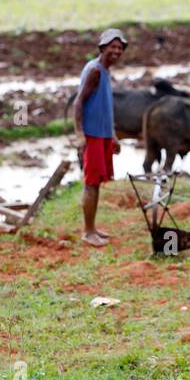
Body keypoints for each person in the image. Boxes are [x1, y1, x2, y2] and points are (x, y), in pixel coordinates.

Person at [72, 29, 127, 246]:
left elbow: (104, 107)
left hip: (102, 134)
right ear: (102, 48)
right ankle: (87, 231)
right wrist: (80, 134)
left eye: (120, 48)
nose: (116, 51)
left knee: (96, 183)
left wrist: (112, 135)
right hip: (92, 135)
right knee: (91, 183)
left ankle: (92, 227)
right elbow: (78, 102)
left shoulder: (104, 70)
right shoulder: (95, 70)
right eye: (112, 46)